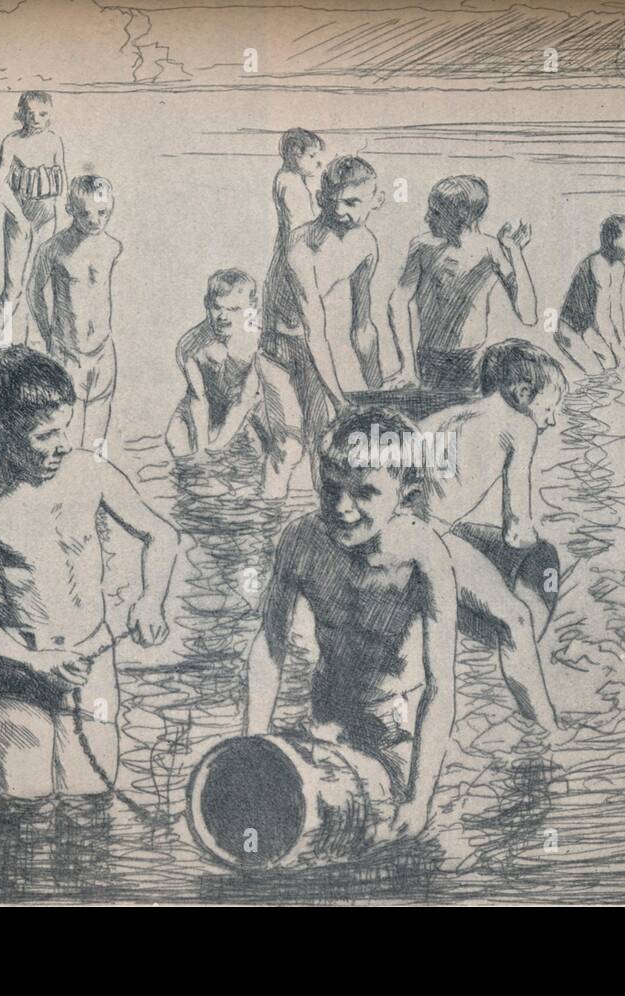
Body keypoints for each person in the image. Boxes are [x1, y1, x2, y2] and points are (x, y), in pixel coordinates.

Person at [0, 347, 178, 887]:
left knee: (89, 807)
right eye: (43, 436)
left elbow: (162, 534)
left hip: (91, 664)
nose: (60, 446)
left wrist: (150, 600)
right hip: (14, 678)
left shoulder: (90, 474)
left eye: (63, 430)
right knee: (23, 812)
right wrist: (34, 660)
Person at [244, 408, 457, 836]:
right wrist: (252, 744)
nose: (342, 507)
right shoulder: (301, 540)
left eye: (364, 492)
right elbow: (270, 648)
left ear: (407, 497)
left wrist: (418, 801)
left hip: (398, 739)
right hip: (326, 724)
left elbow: (441, 687)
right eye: (331, 489)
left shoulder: (423, 555)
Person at [417, 339, 571, 738]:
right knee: (518, 618)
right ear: (523, 394)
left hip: (413, 525)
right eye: (550, 409)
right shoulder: (519, 427)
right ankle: (548, 729)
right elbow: (517, 529)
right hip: (431, 537)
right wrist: (535, 553)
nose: (551, 421)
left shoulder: (446, 416)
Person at [259, 155, 385, 493]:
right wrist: (340, 399)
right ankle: (263, 527)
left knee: (326, 445)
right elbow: (315, 329)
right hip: (278, 353)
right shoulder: (301, 245)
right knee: (287, 449)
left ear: (377, 200)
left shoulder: (367, 246)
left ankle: (323, 524)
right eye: (332, 201)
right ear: (319, 199)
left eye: (352, 202)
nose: (340, 210)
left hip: (313, 358)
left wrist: (377, 388)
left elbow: (363, 327)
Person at [388, 175, 537, 392]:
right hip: (428, 359)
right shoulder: (422, 247)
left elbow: (528, 314)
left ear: (463, 216)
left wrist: (514, 250)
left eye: (436, 212)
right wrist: (407, 367)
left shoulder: (490, 249)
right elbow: (398, 302)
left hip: (474, 362)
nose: (427, 218)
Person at [27, 176, 122, 449]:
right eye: (85, 213)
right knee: (68, 430)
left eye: (102, 213)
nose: (94, 220)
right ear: (70, 210)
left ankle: (98, 484)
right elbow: (34, 290)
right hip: (67, 351)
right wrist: (48, 334)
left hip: (103, 350)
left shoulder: (113, 247)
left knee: (98, 433)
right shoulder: (53, 248)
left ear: (111, 206)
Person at [165, 269, 264, 458]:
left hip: (249, 409)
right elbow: (198, 398)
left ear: (253, 307)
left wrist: (217, 445)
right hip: (209, 407)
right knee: (175, 440)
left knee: (255, 450)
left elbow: (245, 400)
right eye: (217, 307)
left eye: (234, 309)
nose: (223, 317)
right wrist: (203, 448)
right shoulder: (191, 345)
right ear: (206, 303)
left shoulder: (260, 343)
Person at [0, 91, 66, 341]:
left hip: (48, 219)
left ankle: (36, 346)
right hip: (19, 218)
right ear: (21, 114)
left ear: (50, 115)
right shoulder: (11, 141)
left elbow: (61, 184)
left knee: (39, 285)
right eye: (30, 113)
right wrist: (20, 218)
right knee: (14, 287)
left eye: (42, 114)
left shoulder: (55, 141)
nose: (35, 119)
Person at [556, 214, 625, 373]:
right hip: (568, 328)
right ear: (611, 240)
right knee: (597, 370)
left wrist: (622, 338)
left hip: (587, 327)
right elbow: (601, 311)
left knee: (613, 363)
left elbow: (615, 306)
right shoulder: (597, 263)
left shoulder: (619, 268)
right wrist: (614, 343)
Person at [271, 127, 327, 249]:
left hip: (290, 240)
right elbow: (299, 220)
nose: (318, 162)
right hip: (296, 243)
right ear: (294, 155)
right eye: (312, 156)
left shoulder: (290, 177)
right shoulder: (289, 181)